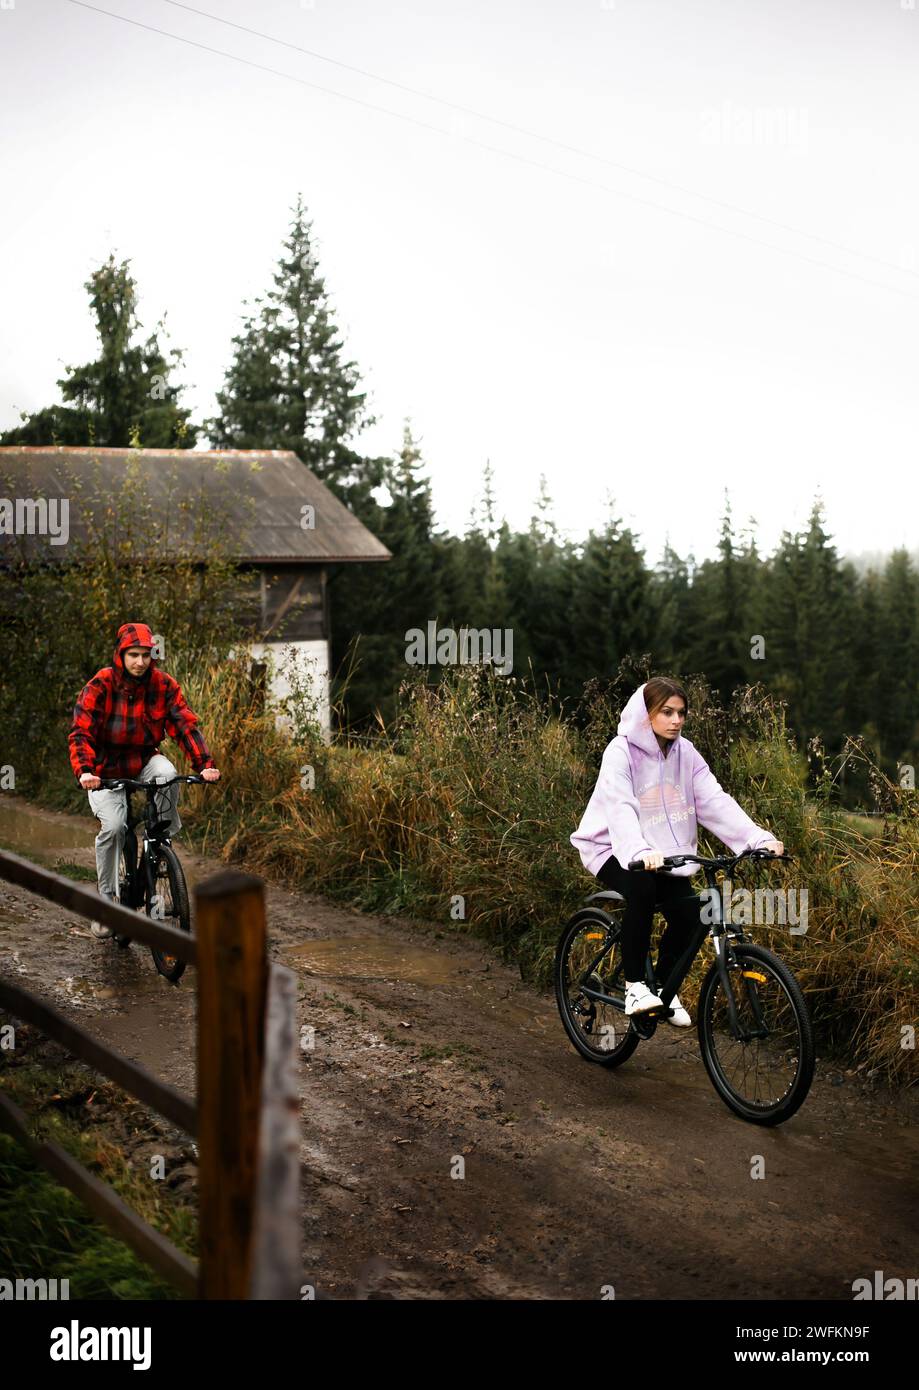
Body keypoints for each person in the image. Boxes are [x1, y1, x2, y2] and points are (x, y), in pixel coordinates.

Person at [570, 677, 783, 1023]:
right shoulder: (620, 752)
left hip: (663, 853)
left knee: (690, 914)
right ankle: (635, 985)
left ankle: (662, 989)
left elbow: (715, 801)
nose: (676, 720)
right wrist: (638, 850)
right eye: (666, 712)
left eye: (681, 713)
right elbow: (621, 806)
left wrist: (756, 839)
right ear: (646, 714)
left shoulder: (686, 753)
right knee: (642, 887)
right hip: (611, 846)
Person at [68, 622, 221, 939]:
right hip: (104, 768)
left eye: (146, 655)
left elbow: (183, 725)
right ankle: (106, 903)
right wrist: (85, 771)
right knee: (113, 826)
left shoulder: (163, 685)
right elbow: (81, 732)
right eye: (133, 655)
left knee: (166, 773)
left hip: (142, 759)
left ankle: (159, 837)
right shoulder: (101, 684)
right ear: (121, 655)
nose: (140, 662)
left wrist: (205, 764)